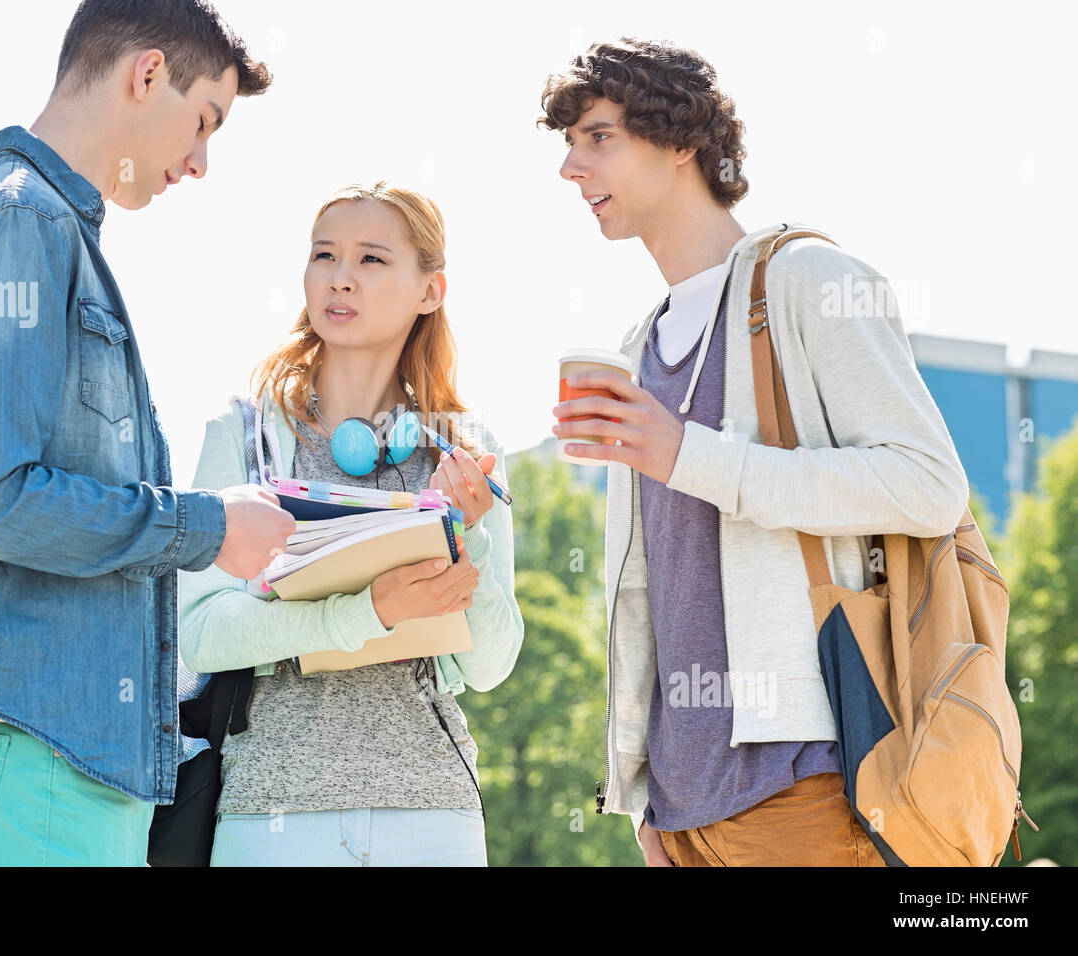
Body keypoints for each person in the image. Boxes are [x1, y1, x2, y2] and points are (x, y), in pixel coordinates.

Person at [540, 39, 969, 866]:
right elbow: (644, 587)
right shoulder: (639, 346)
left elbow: (928, 485)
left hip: (805, 782)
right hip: (680, 808)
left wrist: (687, 454)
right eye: (568, 143)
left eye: (597, 138)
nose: (569, 167)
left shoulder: (808, 279)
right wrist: (640, 798)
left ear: (680, 141)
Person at [0, 0, 293, 866]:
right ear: (147, 75)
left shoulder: (39, 227)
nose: (201, 161)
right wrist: (208, 527)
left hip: (54, 747)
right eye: (204, 121)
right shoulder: (20, 221)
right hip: (36, 740)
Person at [178, 182, 524, 866]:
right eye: (324, 255)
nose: (340, 278)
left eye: (371, 259)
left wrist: (471, 534)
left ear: (431, 290)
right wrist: (369, 611)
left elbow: (488, 666)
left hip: (433, 812)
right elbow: (199, 635)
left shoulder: (464, 446)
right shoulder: (242, 437)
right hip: (270, 813)